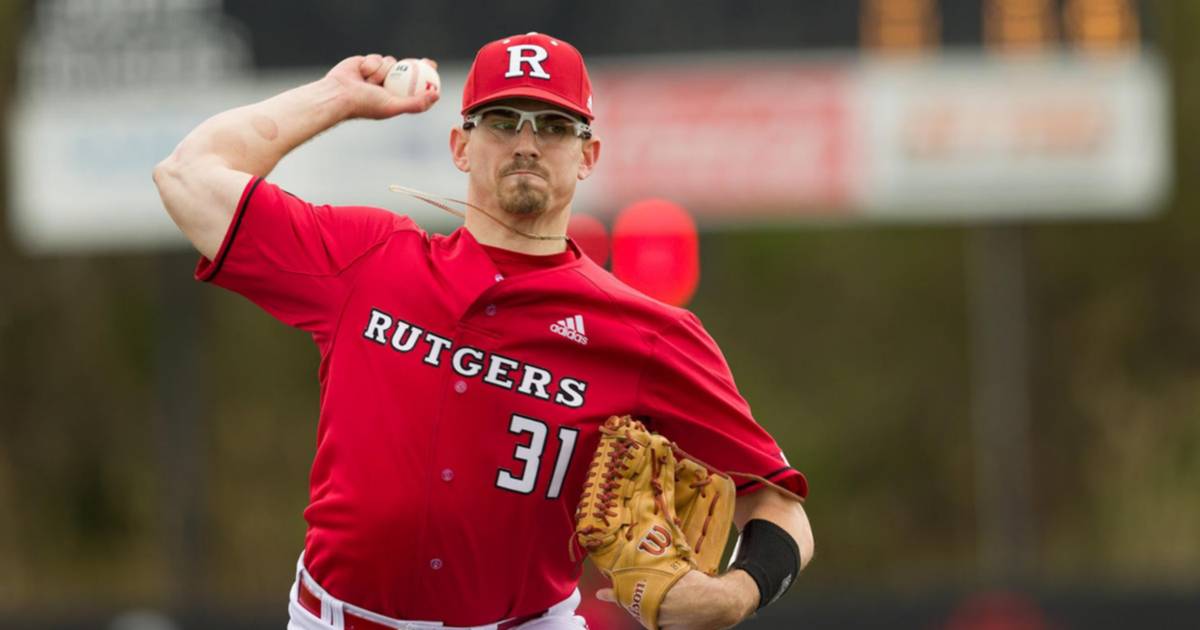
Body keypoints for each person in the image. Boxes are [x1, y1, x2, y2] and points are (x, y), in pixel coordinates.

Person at [153, 32, 813, 630]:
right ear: (461, 145)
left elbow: (781, 504)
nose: (526, 143)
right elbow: (187, 174)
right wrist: (337, 97)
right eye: (502, 121)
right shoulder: (368, 261)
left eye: (554, 125)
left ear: (588, 155)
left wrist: (737, 593)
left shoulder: (647, 333)